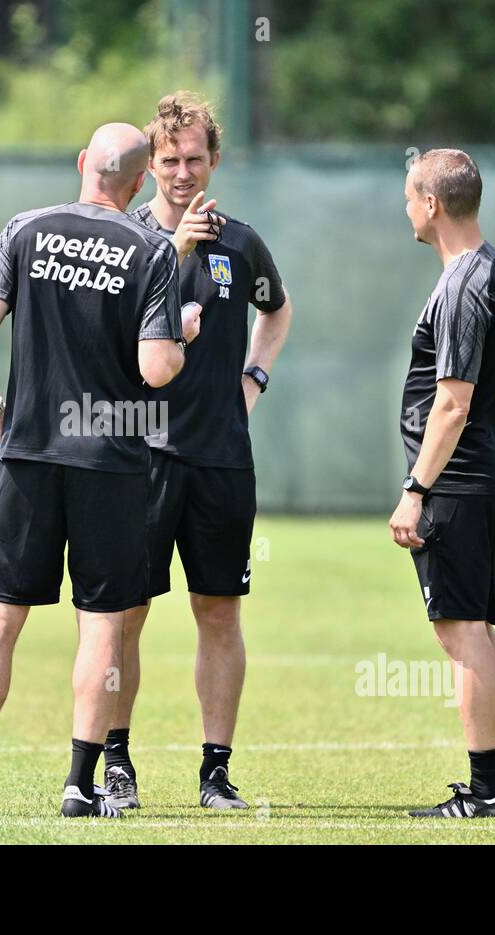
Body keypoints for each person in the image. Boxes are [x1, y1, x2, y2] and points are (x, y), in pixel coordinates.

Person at [0, 123, 198, 819]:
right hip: (109, 464)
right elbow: (156, 367)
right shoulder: (150, 249)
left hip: (27, 454)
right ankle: (80, 785)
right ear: (140, 182)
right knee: (103, 626)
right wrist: (183, 335)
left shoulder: (25, 229)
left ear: (84, 164)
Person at [105, 92, 293, 810]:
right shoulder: (123, 240)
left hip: (221, 456)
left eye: (194, 159)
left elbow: (277, 310)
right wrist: (171, 250)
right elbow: (110, 336)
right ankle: (116, 765)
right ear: (149, 164)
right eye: (169, 160)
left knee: (219, 611)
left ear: (214, 160)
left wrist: (254, 376)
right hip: (140, 457)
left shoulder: (241, 243)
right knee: (125, 613)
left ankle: (216, 772)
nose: (183, 172)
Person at [389, 148, 495, 818]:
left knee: (459, 631)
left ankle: (485, 790)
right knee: (480, 625)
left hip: (458, 480)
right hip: (492, 473)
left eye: (409, 195)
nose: (405, 206)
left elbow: (453, 401)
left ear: (432, 204)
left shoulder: (460, 286)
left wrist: (416, 488)